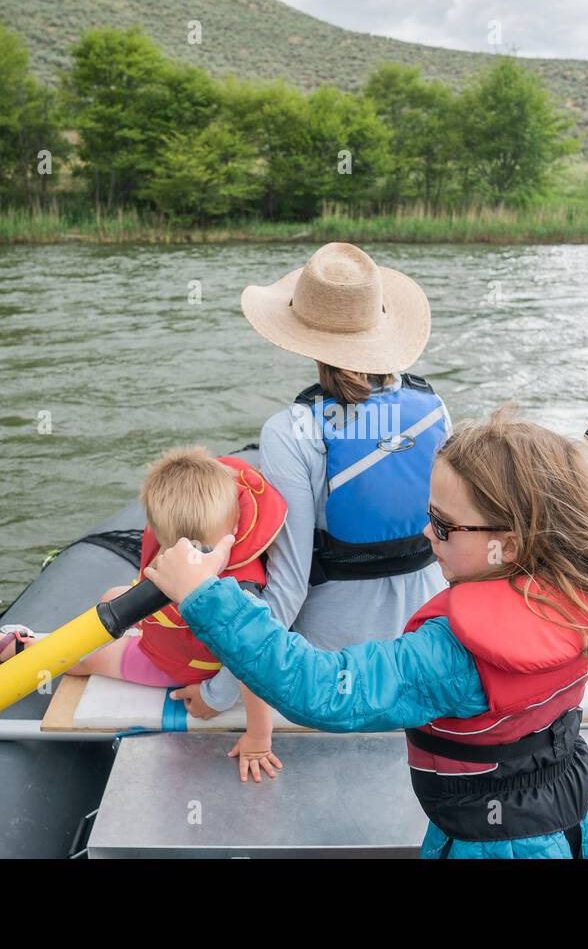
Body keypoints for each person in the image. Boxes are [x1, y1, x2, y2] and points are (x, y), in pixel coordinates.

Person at [144, 405, 588, 859]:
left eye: (443, 525)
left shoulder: (452, 655)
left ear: (511, 543)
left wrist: (205, 595)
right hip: (575, 811)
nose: (425, 532)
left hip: (488, 844)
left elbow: (319, 689)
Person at [173, 243, 454, 749]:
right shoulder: (435, 408)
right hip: (425, 643)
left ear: (304, 340)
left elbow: (289, 588)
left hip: (331, 663)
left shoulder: (291, 430)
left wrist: (218, 695)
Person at [0, 446, 288, 781]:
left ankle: (22, 650)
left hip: (179, 665)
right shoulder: (207, 533)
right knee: (112, 596)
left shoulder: (242, 593)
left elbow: (254, 665)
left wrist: (258, 740)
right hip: (175, 634)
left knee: (88, 658)